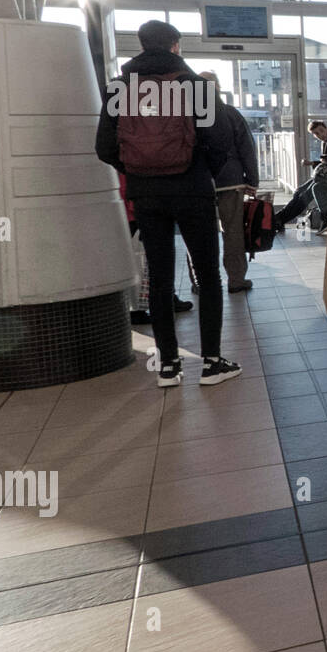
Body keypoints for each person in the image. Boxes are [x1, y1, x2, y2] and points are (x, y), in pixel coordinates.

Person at [95, 20, 242, 387]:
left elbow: (104, 147)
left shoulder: (119, 88)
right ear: (175, 46)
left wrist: (138, 170)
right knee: (208, 276)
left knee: (160, 280)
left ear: (142, 45)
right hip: (192, 190)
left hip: (147, 195)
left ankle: (168, 366)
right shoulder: (194, 86)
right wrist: (198, 169)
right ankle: (211, 363)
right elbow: (220, 139)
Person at [200, 71, 259, 293]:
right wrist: (252, 179)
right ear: (218, 87)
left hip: (200, 182)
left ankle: (202, 281)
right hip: (231, 181)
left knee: (199, 234)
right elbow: (246, 147)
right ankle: (236, 279)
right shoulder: (229, 113)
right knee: (232, 231)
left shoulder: (189, 115)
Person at [274, 119, 327, 230]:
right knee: (300, 192)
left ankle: (280, 218)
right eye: (316, 134)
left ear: (326, 128)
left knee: (304, 195)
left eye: (321, 131)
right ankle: (280, 217)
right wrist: (315, 163)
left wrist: (315, 162)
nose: (320, 135)